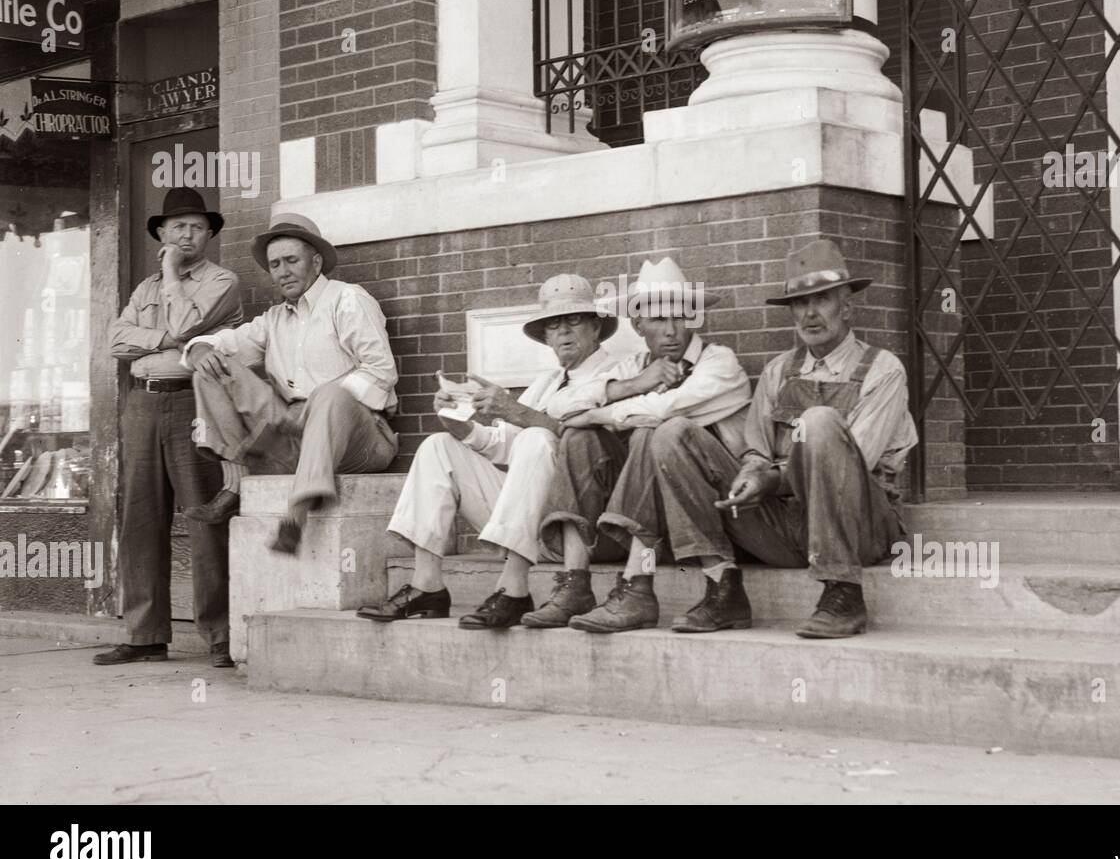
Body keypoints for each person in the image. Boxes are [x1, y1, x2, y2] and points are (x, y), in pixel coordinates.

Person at [664, 239, 917, 639]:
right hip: (787, 527)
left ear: (847, 307)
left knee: (818, 422)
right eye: (800, 303)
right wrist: (751, 472)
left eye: (823, 299)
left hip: (859, 524)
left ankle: (844, 593)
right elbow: (756, 451)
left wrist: (772, 478)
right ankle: (722, 586)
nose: (810, 313)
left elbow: (856, 465)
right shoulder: (778, 371)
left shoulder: (883, 369)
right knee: (673, 433)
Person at [356, 274, 621, 629]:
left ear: (595, 327)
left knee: (537, 438)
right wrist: (458, 422)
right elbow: (501, 446)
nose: (563, 333)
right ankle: (427, 585)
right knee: (439, 446)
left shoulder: (618, 374)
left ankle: (513, 588)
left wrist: (515, 410)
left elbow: (586, 443)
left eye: (573, 321)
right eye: (553, 326)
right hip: (536, 526)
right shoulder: (547, 382)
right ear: (545, 337)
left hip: (590, 530)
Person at [525, 257, 751, 633]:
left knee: (652, 429)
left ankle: (638, 588)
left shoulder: (719, 362)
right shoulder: (635, 367)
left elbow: (664, 407)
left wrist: (601, 413)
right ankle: (575, 584)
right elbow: (560, 405)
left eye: (680, 317)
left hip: (716, 507)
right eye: (659, 320)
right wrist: (636, 384)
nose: (672, 330)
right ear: (638, 324)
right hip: (645, 516)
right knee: (580, 437)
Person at [181, 212, 398, 554]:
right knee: (210, 369)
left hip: (360, 438)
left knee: (329, 393)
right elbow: (227, 344)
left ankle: (295, 514)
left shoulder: (347, 300)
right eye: (275, 264)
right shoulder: (273, 319)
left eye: (291, 260)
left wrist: (311, 410)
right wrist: (199, 349)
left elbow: (381, 370)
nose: (282, 271)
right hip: (294, 436)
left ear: (315, 262)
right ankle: (236, 483)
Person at [96, 187, 243, 668]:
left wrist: (170, 279)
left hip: (195, 402)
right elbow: (117, 341)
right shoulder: (143, 289)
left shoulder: (222, 281)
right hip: (142, 402)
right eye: (177, 226)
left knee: (204, 518)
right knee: (139, 519)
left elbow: (187, 321)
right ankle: (145, 635)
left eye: (197, 226)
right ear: (161, 233)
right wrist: (163, 340)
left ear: (209, 235)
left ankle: (220, 636)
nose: (187, 233)